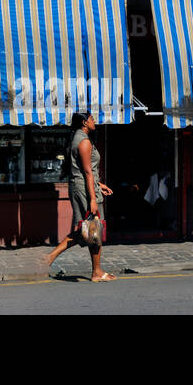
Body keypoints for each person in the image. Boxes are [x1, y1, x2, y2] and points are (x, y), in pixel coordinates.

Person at [43, 113, 116, 282]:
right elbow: (87, 172)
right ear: (85, 122)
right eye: (92, 119)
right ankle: (94, 271)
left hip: (84, 186)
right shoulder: (83, 142)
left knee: (90, 229)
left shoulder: (78, 138)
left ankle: (95, 270)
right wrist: (92, 199)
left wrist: (99, 185)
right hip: (84, 190)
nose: (94, 121)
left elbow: (85, 172)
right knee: (92, 228)